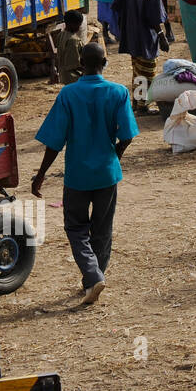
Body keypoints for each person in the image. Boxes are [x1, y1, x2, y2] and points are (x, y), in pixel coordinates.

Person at [31, 43, 137, 306]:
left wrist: (40, 174)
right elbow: (126, 136)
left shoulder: (68, 94)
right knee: (102, 228)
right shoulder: (119, 92)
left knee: (76, 228)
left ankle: (92, 276)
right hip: (106, 174)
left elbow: (54, 142)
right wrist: (115, 156)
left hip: (77, 176)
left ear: (80, 62)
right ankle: (94, 277)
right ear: (105, 62)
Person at [112, 0, 167, 115]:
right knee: (148, 70)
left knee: (137, 68)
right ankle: (142, 106)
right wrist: (162, 36)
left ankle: (137, 103)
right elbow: (155, 17)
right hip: (146, 35)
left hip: (130, 32)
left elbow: (117, 4)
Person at [53, 10, 96, 86]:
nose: (79, 27)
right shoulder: (74, 41)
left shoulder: (61, 35)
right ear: (71, 24)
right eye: (78, 25)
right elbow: (74, 64)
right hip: (73, 78)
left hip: (63, 74)